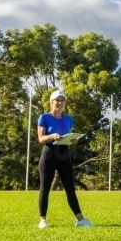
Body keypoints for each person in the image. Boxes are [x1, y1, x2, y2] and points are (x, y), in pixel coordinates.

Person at [37, 89, 94, 229]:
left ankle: (80, 220)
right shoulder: (44, 117)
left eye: (62, 100)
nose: (60, 103)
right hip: (49, 153)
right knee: (45, 188)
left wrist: (73, 140)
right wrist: (52, 136)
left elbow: (68, 135)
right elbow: (41, 139)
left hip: (64, 154)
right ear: (51, 102)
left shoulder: (69, 119)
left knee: (70, 188)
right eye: (57, 100)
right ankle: (43, 220)